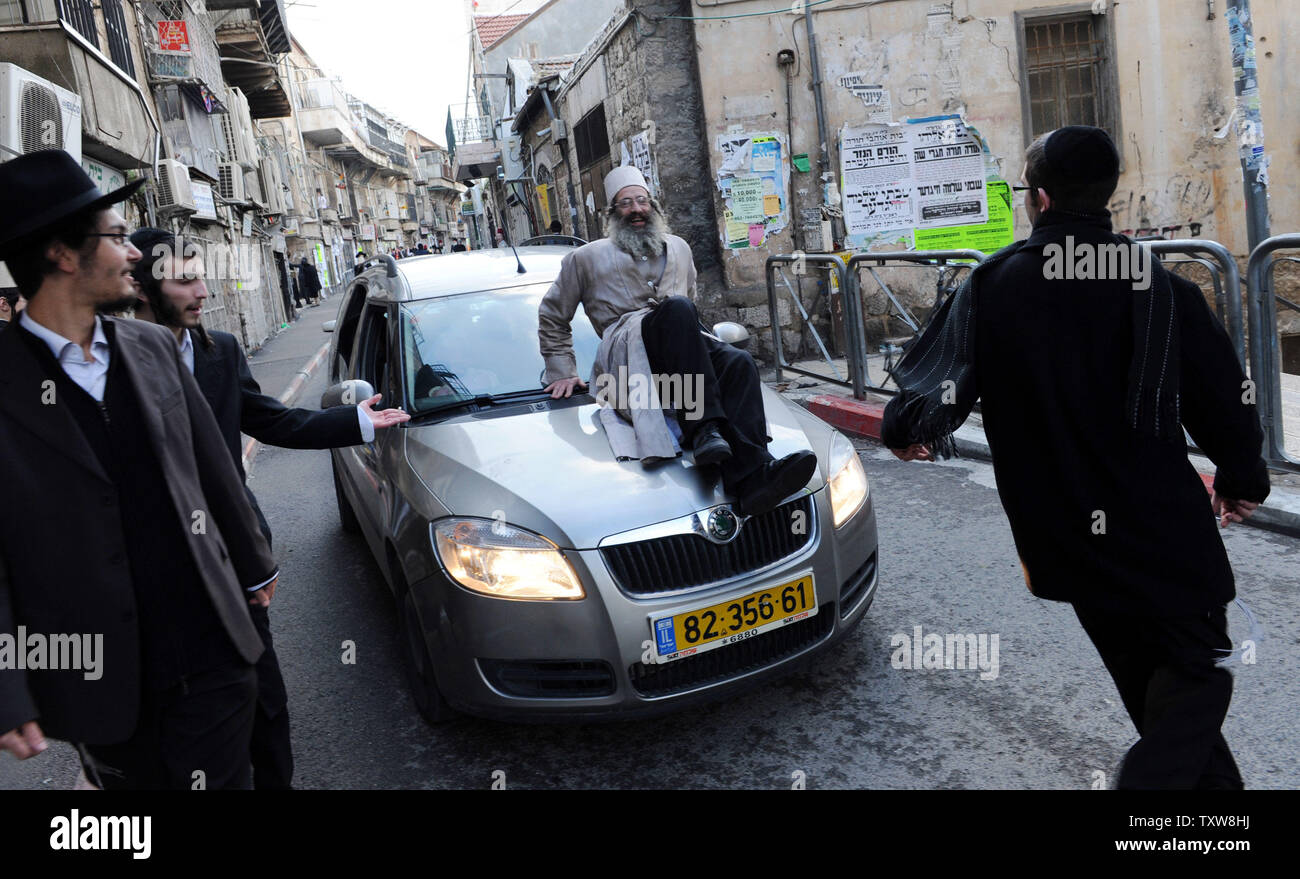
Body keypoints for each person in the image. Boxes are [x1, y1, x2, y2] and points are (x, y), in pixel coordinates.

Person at [881, 126, 1270, 789]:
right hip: (1164, 543)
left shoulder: (993, 285)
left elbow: (928, 393)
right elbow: (1225, 402)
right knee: (1198, 676)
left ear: (1038, 197)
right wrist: (1242, 479)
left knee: (1165, 705)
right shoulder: (1164, 290)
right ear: (1107, 195)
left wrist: (908, 431)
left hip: (1069, 548)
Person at [0, 150, 278, 789]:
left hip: (212, 655)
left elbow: (212, 469)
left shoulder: (151, 348)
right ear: (63, 255)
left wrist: (256, 563)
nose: (133, 256)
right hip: (100, 683)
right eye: (118, 238)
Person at [126, 228, 409, 788]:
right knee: (177, 714)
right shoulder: (111, 366)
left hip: (233, 557)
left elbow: (272, 420)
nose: (202, 291)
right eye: (184, 281)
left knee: (263, 696)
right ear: (141, 289)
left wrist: (355, 422)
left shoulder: (220, 350)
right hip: (154, 569)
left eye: (200, 275)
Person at [539, 165, 816, 516]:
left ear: (653, 207)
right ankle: (703, 430)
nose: (636, 209)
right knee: (677, 309)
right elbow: (552, 314)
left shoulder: (680, 248)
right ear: (612, 214)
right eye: (626, 203)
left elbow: (689, 306)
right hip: (627, 364)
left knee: (738, 361)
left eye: (642, 201)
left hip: (678, 354)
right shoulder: (585, 258)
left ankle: (752, 479)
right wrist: (562, 370)